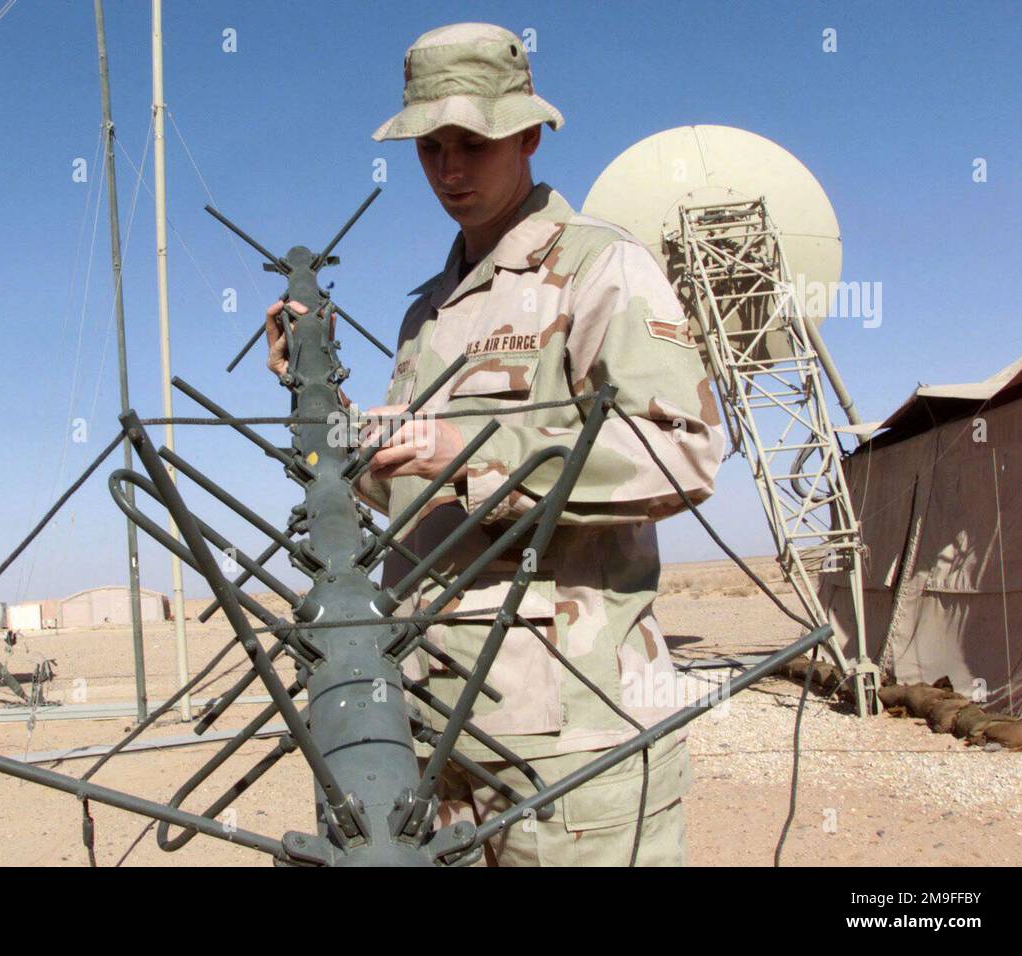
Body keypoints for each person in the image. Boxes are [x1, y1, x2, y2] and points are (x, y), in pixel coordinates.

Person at [266, 22, 724, 866]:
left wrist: (475, 455)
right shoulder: (429, 312)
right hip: (440, 738)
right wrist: (316, 396)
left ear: (526, 132)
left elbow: (687, 451)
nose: (449, 169)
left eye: (471, 142)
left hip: (574, 744)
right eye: (430, 146)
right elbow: (401, 486)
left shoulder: (598, 269)